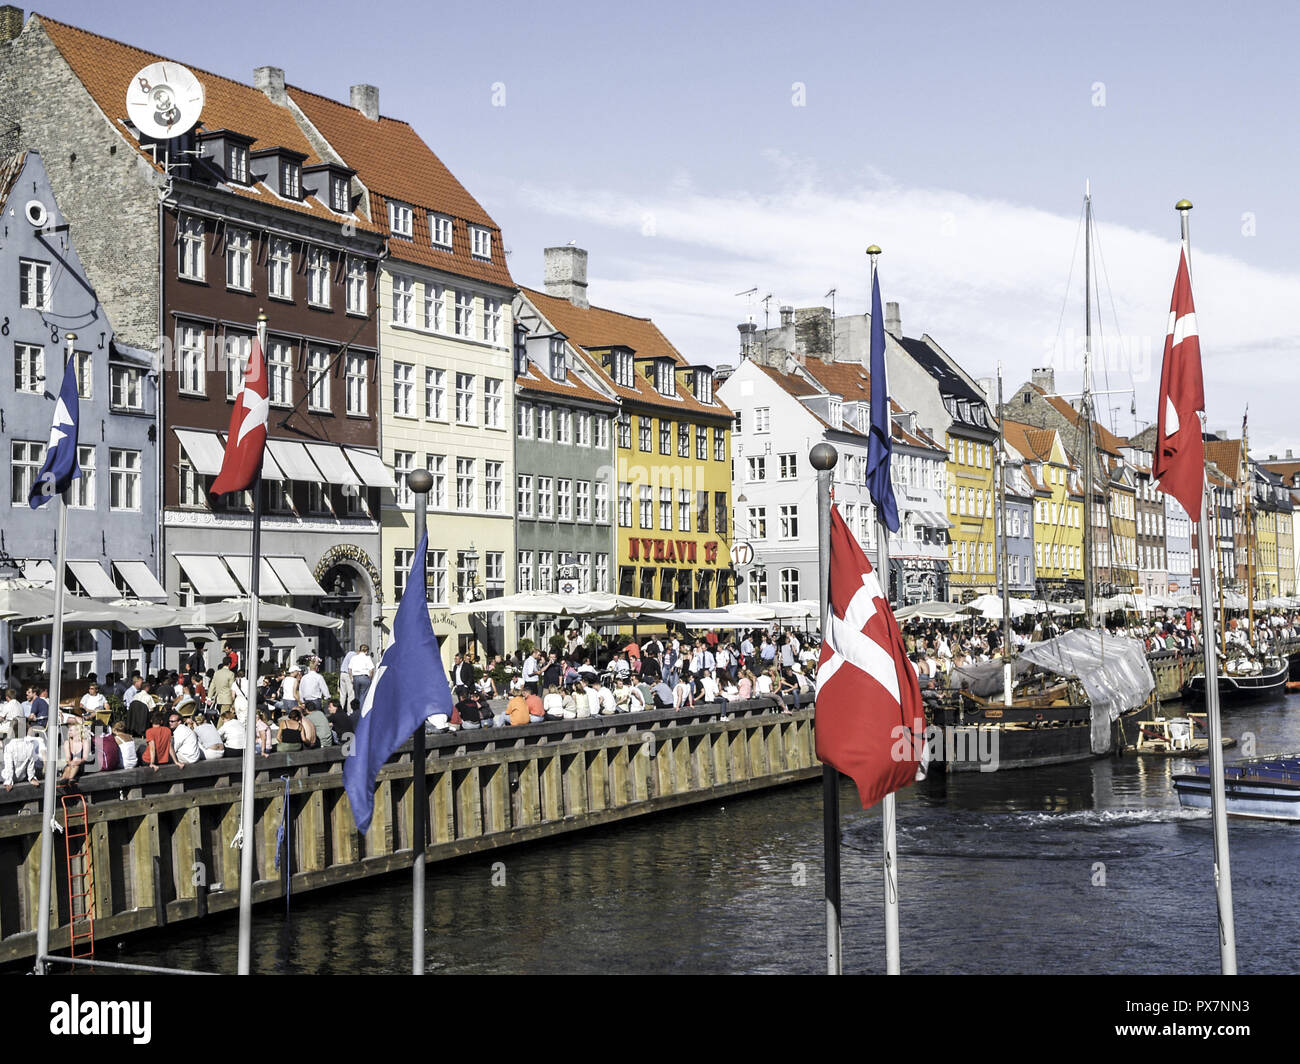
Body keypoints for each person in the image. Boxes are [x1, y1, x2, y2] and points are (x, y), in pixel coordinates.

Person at [349, 645, 375, 710]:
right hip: (364, 677)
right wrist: (370, 679)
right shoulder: (367, 658)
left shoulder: (354, 658)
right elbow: (371, 670)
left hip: (356, 677)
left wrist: (351, 678)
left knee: (356, 696)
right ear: (366, 651)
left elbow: (350, 669)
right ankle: (361, 712)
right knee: (363, 696)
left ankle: (356, 711)